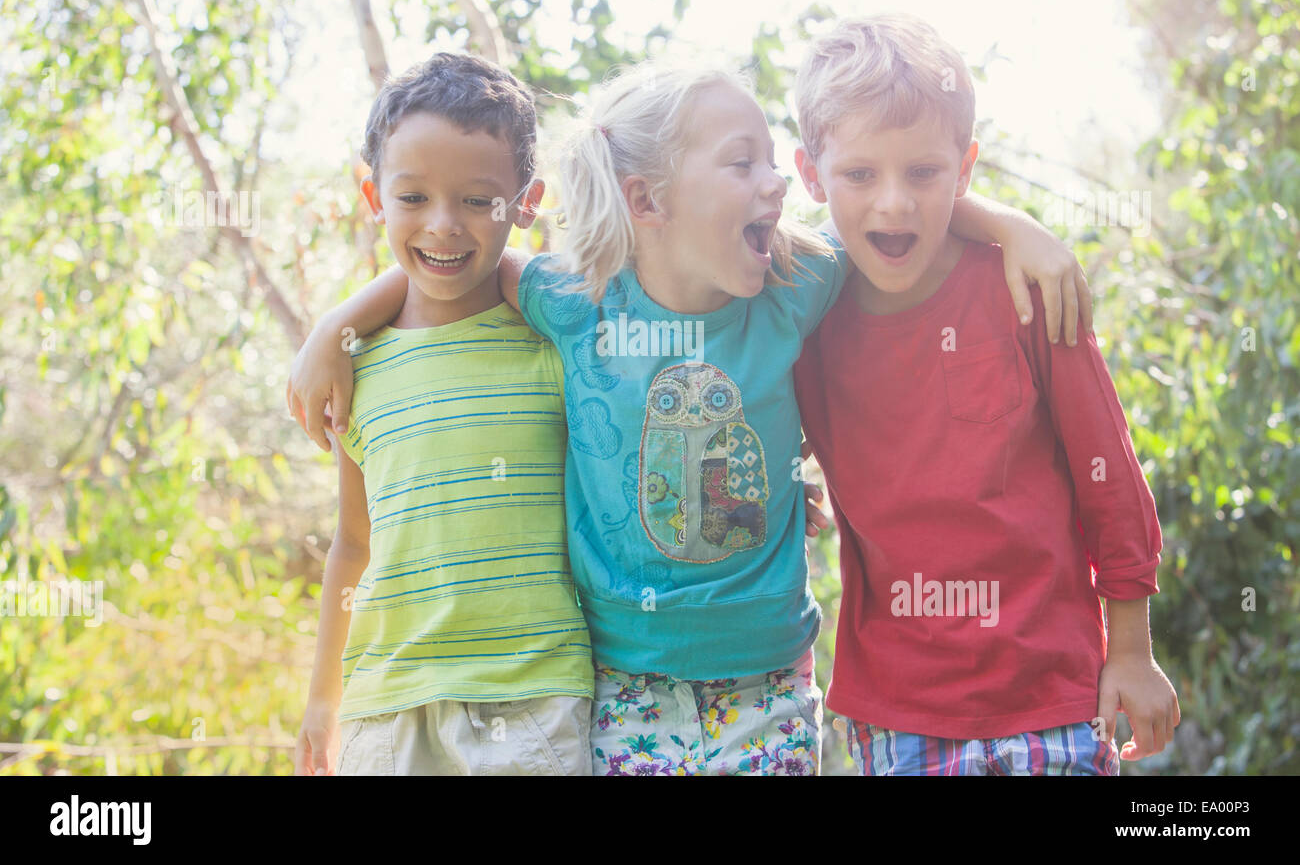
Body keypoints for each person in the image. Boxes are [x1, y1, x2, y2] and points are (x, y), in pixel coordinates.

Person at [287, 57, 1091, 774]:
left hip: (768, 678)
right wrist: (339, 325)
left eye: (774, 163)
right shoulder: (576, 305)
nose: (775, 185)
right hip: (623, 683)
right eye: (744, 163)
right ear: (646, 198)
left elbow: (891, 217)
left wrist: (1010, 225)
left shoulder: (790, 289)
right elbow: (463, 264)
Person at [791, 14, 1180, 775]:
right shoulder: (799, 312)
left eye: (925, 174)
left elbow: (1112, 477)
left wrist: (1130, 650)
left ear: (965, 167)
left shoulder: (1026, 290)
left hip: (1054, 694)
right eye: (860, 175)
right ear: (811, 175)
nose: (894, 205)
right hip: (895, 708)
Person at [293, 52, 593, 776]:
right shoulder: (355, 366)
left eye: (478, 200)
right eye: (415, 197)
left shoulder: (557, 347)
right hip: (387, 709)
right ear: (374, 197)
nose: (445, 226)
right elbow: (354, 545)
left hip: (534, 703)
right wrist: (324, 698)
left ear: (527, 200)